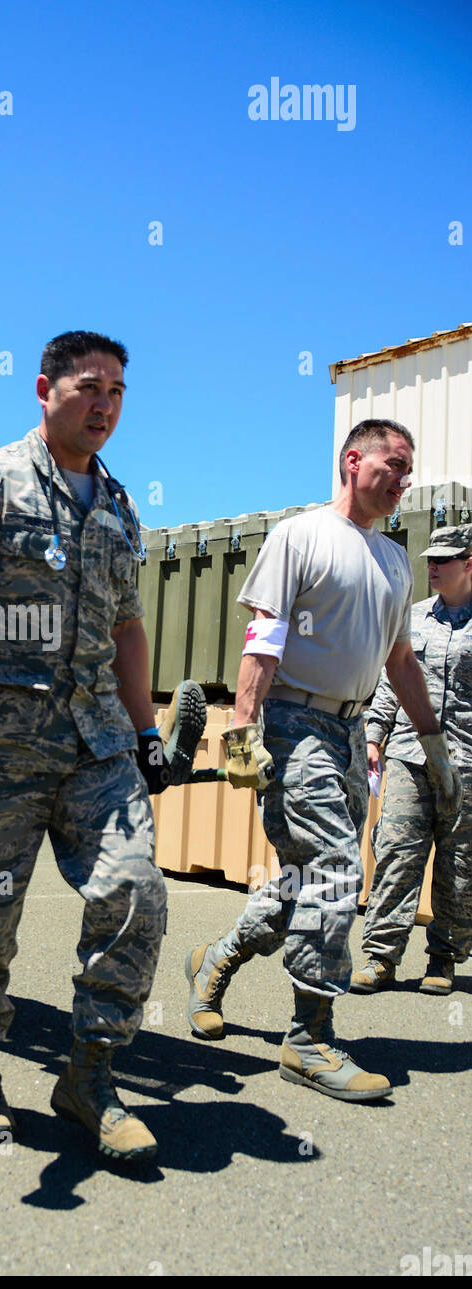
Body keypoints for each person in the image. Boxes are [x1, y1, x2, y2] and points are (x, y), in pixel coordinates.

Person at [0, 330, 185, 1162]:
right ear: (43, 389)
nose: (104, 404)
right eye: (90, 386)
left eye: (118, 392)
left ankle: (88, 1075)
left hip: (96, 745)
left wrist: (144, 728)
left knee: (135, 894)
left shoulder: (120, 505)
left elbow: (127, 624)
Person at [184, 419, 462, 1102]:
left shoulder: (393, 560)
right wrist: (243, 731)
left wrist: (430, 745)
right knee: (337, 871)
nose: (401, 480)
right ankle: (307, 1039)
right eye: (391, 465)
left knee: (311, 877)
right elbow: (261, 638)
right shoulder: (299, 536)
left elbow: (400, 661)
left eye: (407, 470)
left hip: (348, 730)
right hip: (291, 721)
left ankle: (217, 959)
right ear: (351, 461)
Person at [352, 525, 472, 997]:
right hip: (408, 752)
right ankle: (380, 958)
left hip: (466, 759)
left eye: (444, 559)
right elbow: (391, 680)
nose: (433, 566)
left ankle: (443, 958)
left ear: (469, 563)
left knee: (459, 865)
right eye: (430, 559)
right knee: (398, 851)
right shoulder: (415, 617)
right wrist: (374, 734)